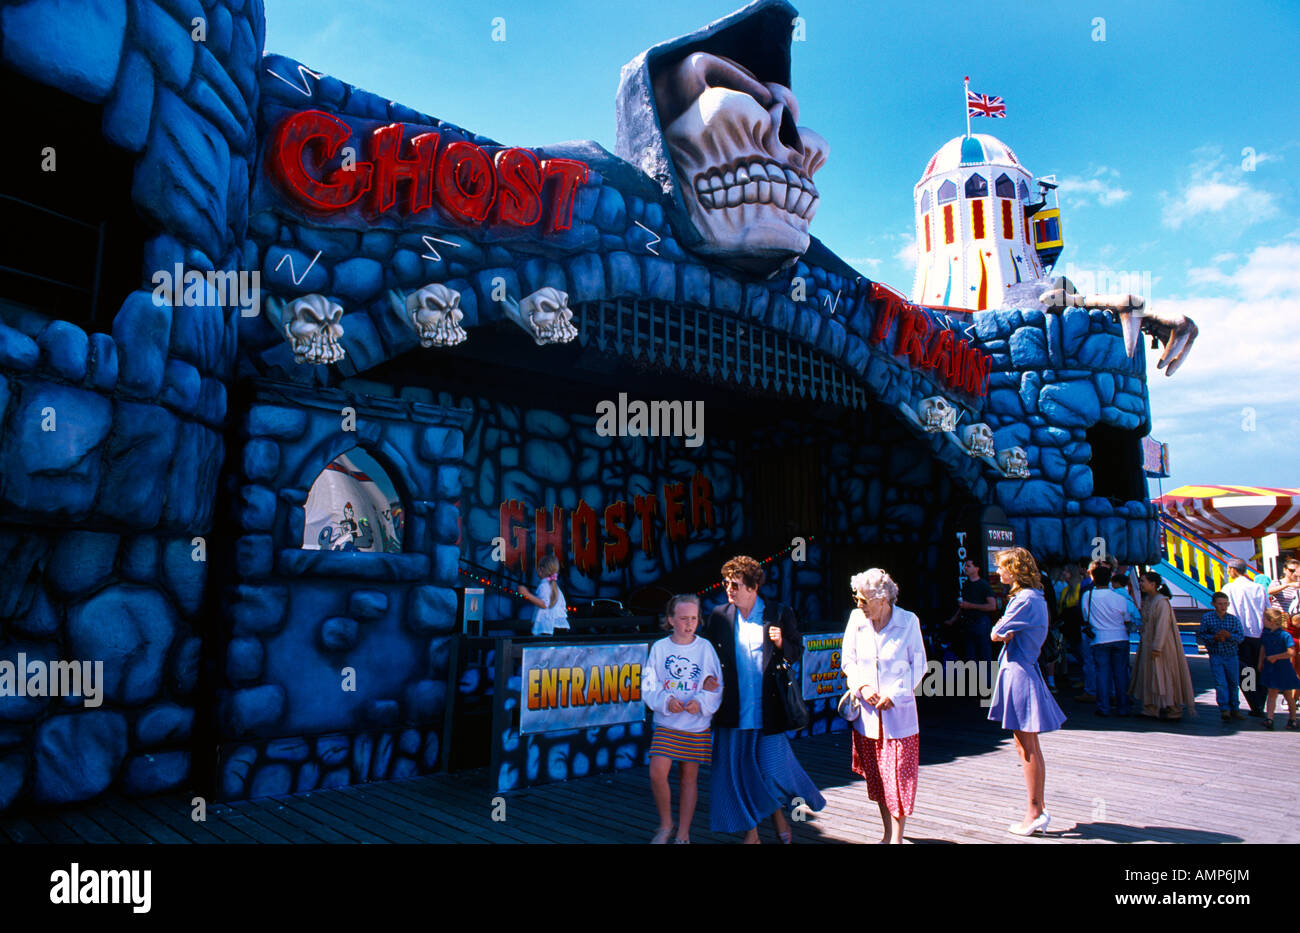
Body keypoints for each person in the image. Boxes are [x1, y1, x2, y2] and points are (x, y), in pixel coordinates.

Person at [703, 555, 825, 843]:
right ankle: (752, 833)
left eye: (735, 584)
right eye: (725, 583)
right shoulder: (719, 616)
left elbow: (797, 651)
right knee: (738, 774)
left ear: (753, 586)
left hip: (768, 711)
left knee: (771, 769)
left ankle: (780, 815)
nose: (728, 589)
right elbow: (709, 656)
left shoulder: (778, 613)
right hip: (732, 711)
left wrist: (782, 642)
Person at [841, 569, 927, 844]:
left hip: (898, 717)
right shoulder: (857, 619)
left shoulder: (908, 622)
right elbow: (848, 661)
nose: (858, 604)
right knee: (878, 781)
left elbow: (920, 666)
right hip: (867, 717)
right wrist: (861, 687)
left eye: (863, 600)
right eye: (857, 598)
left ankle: (897, 838)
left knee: (897, 782)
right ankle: (888, 833)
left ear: (883, 600)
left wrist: (895, 694)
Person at [987, 547, 1066, 837]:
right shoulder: (1033, 598)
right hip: (1022, 669)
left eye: (1002, 567)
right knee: (1026, 746)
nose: (998, 572)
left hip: (1019, 672)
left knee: (1027, 747)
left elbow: (997, 631)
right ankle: (1038, 808)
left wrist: (1000, 630)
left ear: (1015, 570)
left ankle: (1034, 812)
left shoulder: (1024, 600)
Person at [642, 594, 723, 843]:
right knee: (657, 772)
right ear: (670, 620)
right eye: (683, 618)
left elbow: (715, 684)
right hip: (668, 724)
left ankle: (684, 832)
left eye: (694, 618)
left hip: (696, 725)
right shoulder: (660, 648)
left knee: (689, 778)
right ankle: (666, 824)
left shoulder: (705, 648)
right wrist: (666, 701)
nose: (689, 624)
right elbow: (649, 684)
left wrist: (700, 701)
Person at [1129, 571, 1196, 720]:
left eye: (1143, 581)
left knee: (1166, 674)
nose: (1140, 584)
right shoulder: (1148, 600)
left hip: (1163, 646)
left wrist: (1157, 646)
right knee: (1150, 674)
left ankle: (1173, 707)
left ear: (1153, 585)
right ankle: (1151, 707)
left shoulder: (1161, 602)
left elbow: (1162, 625)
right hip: (1148, 643)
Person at [1081, 564, 1133, 717]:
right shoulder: (1119, 597)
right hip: (1120, 637)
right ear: (1110, 578)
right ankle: (1123, 706)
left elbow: (1085, 616)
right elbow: (1126, 618)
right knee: (1121, 673)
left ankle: (1104, 707)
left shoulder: (1088, 596)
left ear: (1093, 578)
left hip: (1099, 638)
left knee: (1102, 674)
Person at [1224, 558, 1269, 716]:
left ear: (1233, 570)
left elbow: (1226, 613)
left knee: (1246, 670)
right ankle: (1261, 701)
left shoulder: (1228, 588)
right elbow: (1266, 610)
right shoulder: (1258, 588)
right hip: (1258, 633)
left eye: (1229, 569)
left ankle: (1254, 703)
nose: (1228, 572)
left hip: (1239, 635)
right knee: (1260, 668)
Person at [1198, 592, 1245, 722]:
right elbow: (1202, 634)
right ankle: (1224, 709)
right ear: (1213, 604)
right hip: (1216, 654)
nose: (1223, 606)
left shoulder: (1233, 619)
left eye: (1225, 604)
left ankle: (1235, 708)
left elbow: (1240, 637)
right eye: (1220, 604)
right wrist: (1214, 637)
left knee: (1233, 682)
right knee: (1220, 683)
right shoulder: (1207, 618)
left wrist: (1229, 636)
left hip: (1231, 655)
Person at [944, 559, 996, 667]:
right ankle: (975, 682)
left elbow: (992, 606)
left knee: (984, 656)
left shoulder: (983, 585)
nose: (965, 568)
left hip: (981, 623)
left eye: (968, 566)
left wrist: (971, 606)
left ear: (977, 568)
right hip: (969, 624)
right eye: (965, 566)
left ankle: (987, 682)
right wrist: (952, 620)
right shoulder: (966, 585)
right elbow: (963, 606)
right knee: (971, 658)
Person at [1258, 608, 1300, 730]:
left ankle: (1292, 718)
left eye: (1264, 619)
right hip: (1270, 667)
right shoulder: (1266, 633)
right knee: (1271, 693)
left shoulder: (1284, 635)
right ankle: (1269, 718)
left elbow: (1291, 652)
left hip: (1283, 668)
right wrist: (1260, 661)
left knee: (1287, 694)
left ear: (1271, 621)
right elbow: (1263, 647)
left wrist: (1276, 657)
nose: (1262, 621)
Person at [519, 553, 569, 636]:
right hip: (559, 626)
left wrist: (526, 594)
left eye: (537, 568)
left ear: (541, 570)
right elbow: (564, 608)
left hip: (547, 627)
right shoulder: (556, 588)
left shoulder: (543, 586)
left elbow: (544, 604)